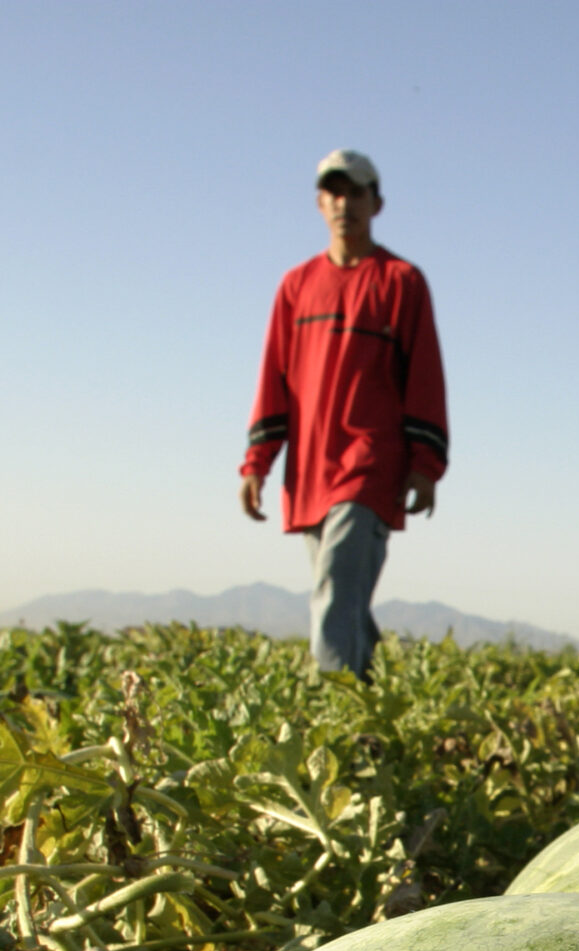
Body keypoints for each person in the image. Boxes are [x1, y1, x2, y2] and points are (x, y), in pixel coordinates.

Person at [239, 149, 450, 682]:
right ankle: (379, 702)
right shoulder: (296, 285)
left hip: (371, 463)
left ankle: (331, 707)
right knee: (343, 597)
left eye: (356, 193)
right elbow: (273, 378)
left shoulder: (402, 281)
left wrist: (425, 464)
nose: (343, 204)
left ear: (377, 203)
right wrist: (257, 462)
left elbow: (425, 378)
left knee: (334, 588)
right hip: (310, 469)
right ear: (319, 203)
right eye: (333, 193)